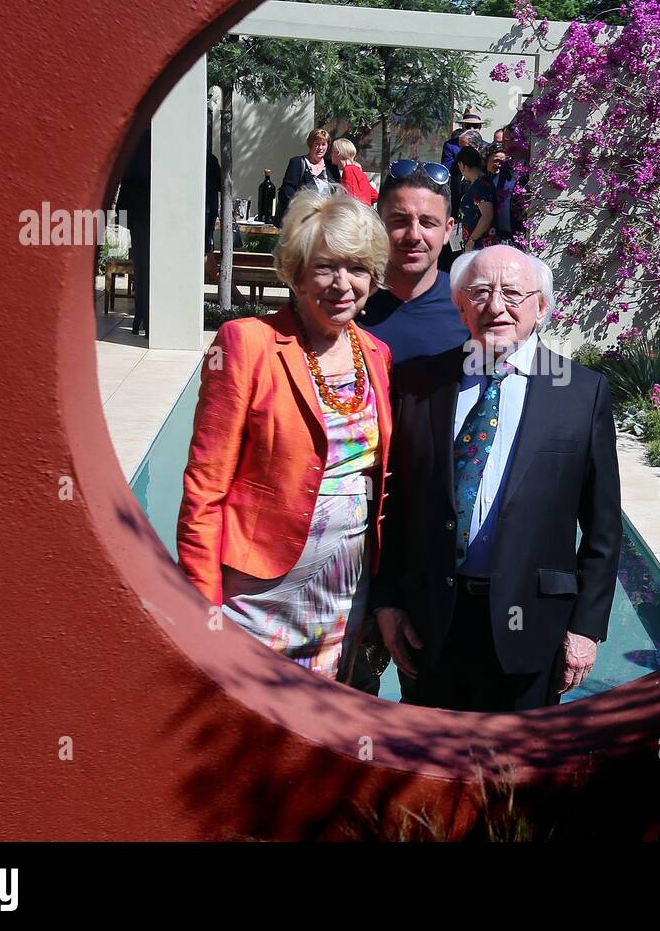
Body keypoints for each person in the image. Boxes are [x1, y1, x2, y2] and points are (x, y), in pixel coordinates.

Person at [371, 245, 622, 712]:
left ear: (541, 307)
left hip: (533, 625)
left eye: (512, 293)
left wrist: (586, 628)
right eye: (480, 292)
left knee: (516, 777)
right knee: (425, 770)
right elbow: (394, 506)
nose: (495, 306)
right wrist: (387, 603)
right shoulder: (419, 384)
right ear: (460, 304)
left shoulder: (582, 392)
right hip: (430, 624)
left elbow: (603, 527)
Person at [177, 190, 394, 686]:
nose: (343, 284)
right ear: (296, 272)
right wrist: (200, 607)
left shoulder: (377, 354)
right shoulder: (247, 343)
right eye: (324, 267)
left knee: (322, 735)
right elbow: (204, 489)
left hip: (346, 590)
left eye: (357, 268)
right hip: (258, 598)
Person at [357, 160, 470, 365]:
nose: (414, 235)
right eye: (399, 221)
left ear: (447, 230)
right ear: (379, 224)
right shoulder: (348, 302)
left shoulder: (469, 308)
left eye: (427, 223)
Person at [116, 126, 152, 337]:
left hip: (137, 214)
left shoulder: (136, 141)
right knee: (147, 270)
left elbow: (126, 178)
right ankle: (145, 319)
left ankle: (140, 318)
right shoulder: (151, 141)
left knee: (141, 268)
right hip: (148, 213)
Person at [278, 129, 341, 223]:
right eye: (317, 144)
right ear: (310, 144)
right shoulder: (297, 163)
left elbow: (337, 192)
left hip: (328, 220)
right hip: (303, 220)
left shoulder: (332, 166)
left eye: (323, 144)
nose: (320, 148)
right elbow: (287, 192)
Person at [456, 145, 497, 252]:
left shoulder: (481, 185)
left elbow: (487, 216)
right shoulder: (476, 184)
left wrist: (472, 240)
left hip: (480, 246)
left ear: (462, 165)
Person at [331, 138, 378, 207]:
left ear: (338, 153)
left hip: (356, 214)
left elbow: (351, 199)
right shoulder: (358, 171)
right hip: (365, 213)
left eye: (332, 151)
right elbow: (374, 196)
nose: (331, 154)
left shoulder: (348, 170)